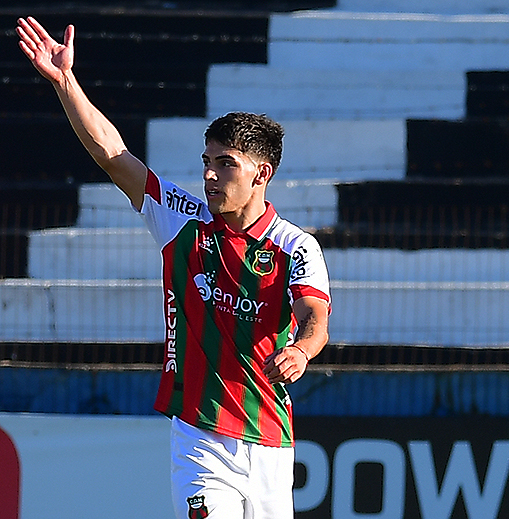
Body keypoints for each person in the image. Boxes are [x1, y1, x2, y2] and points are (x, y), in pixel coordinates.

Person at [17, 17, 331, 519]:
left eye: (225, 163)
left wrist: (301, 350)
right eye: (206, 160)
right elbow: (113, 154)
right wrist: (66, 82)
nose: (208, 173)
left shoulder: (295, 246)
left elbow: (314, 314)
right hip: (198, 435)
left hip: (271, 441)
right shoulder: (182, 222)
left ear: (261, 173)